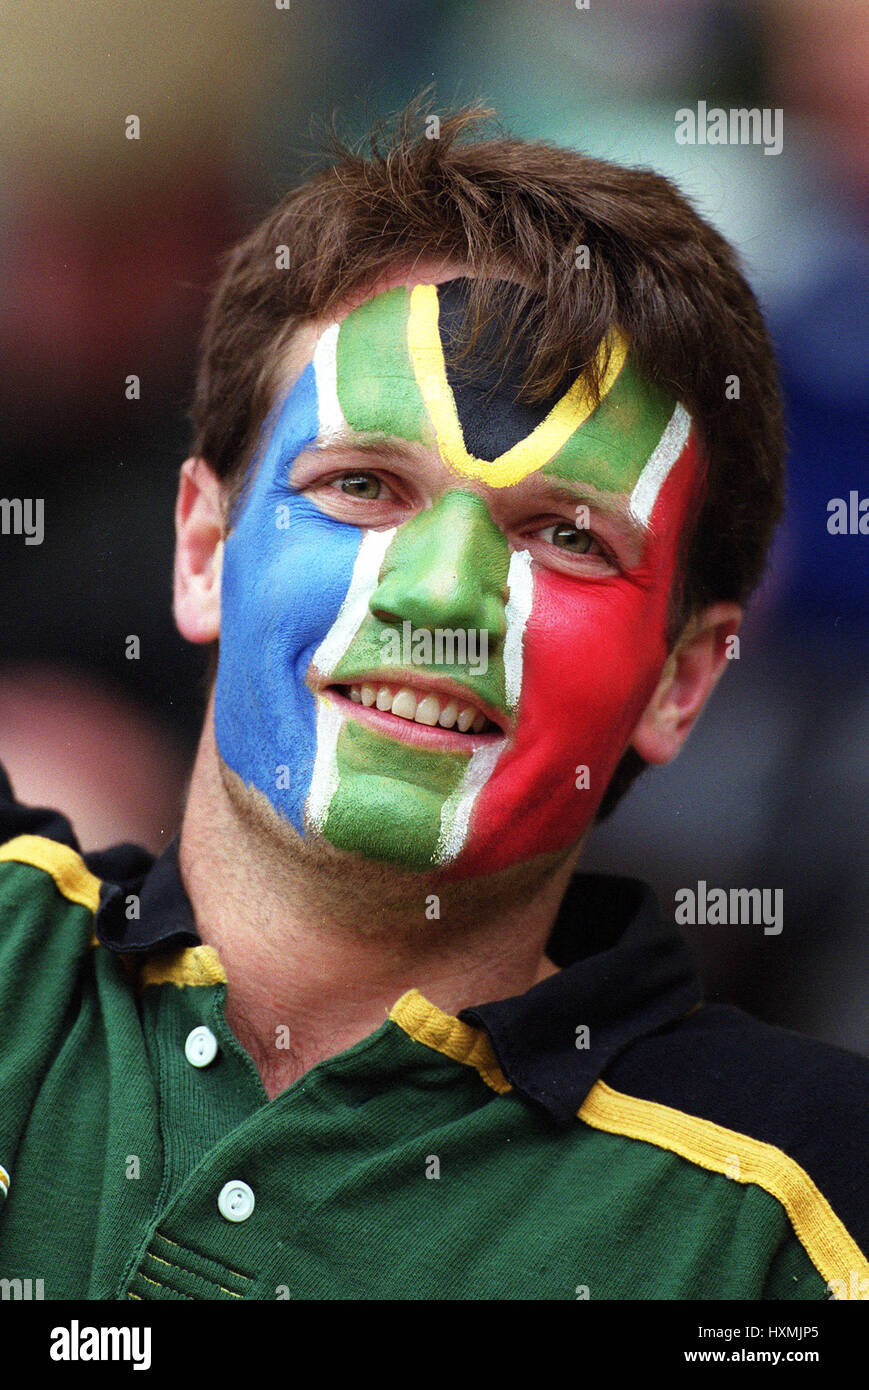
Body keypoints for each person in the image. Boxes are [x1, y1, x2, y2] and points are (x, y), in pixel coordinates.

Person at [1, 104, 867, 1302]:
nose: (444, 599)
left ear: (682, 679)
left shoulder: (797, 1217)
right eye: (360, 485)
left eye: (564, 536)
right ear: (202, 547)